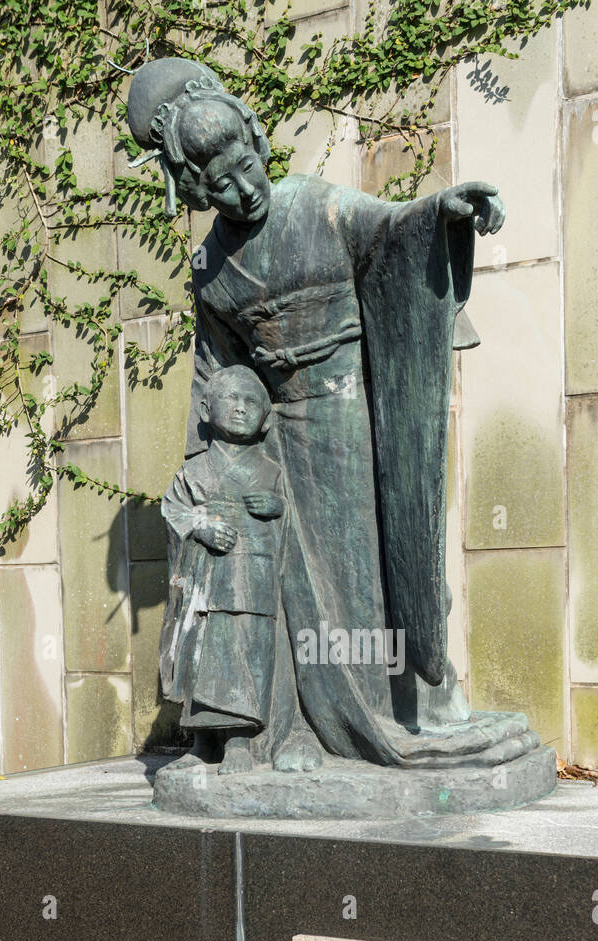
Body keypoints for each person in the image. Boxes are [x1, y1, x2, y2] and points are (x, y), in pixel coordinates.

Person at [128, 58, 541, 773]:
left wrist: (444, 211)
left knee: (376, 567)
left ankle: (400, 710)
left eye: (244, 165)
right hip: (281, 438)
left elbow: (391, 233)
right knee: (296, 587)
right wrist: (210, 479)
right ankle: (297, 727)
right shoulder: (212, 270)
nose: (241, 187)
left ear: (257, 146)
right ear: (195, 188)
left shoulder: (312, 202)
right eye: (218, 182)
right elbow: (218, 379)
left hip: (357, 415)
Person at [159, 365, 284, 775]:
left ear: (266, 418)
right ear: (206, 407)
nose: (242, 409)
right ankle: (200, 741)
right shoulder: (192, 471)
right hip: (204, 585)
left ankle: (239, 743)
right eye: (232, 399)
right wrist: (201, 525)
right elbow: (173, 512)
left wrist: (278, 509)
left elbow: (299, 536)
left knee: (245, 652)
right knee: (199, 653)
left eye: (252, 403)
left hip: (251, 584)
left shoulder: (272, 472)